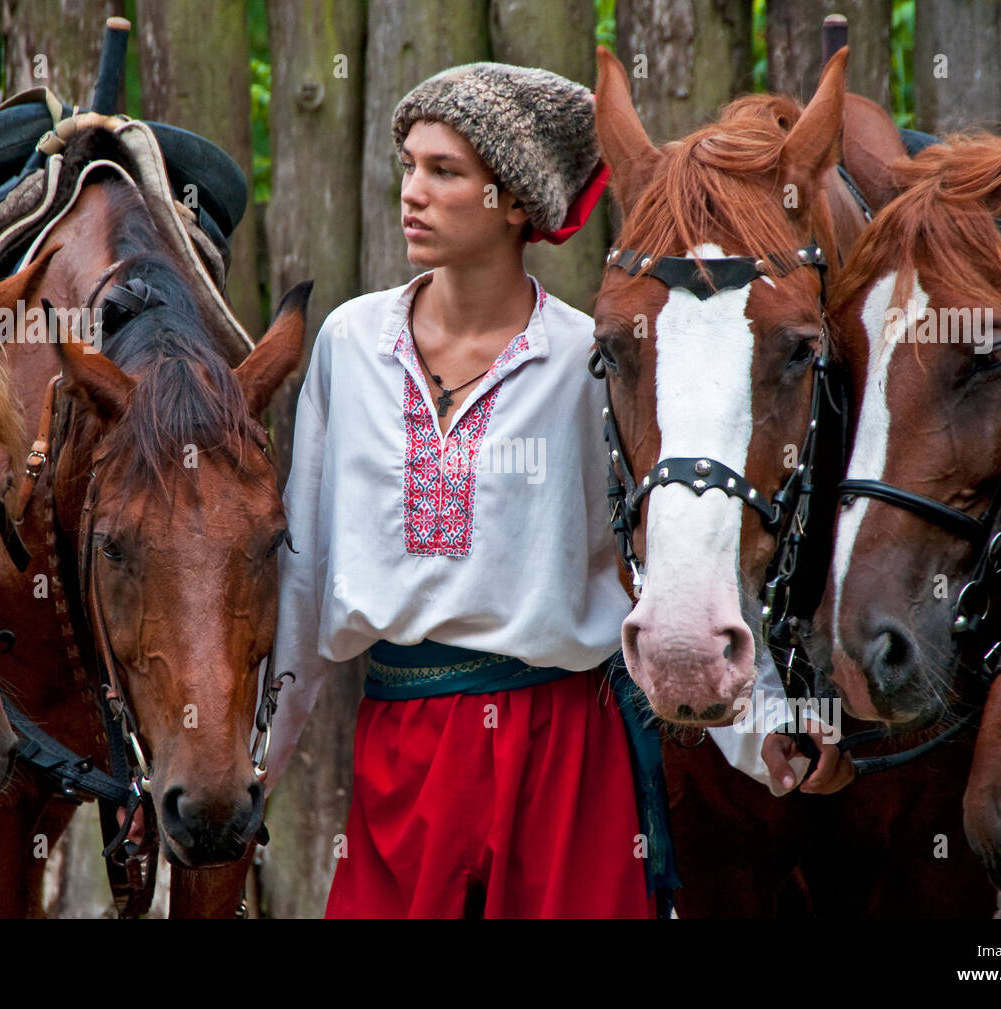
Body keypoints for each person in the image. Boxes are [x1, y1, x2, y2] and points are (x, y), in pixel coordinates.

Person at [267, 62, 848, 920]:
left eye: (445, 171)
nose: (412, 193)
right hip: (404, 752)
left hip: (565, 749)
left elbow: (659, 570)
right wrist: (251, 768)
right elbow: (305, 581)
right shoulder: (350, 346)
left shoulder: (592, 362)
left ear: (515, 204)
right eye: (408, 167)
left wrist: (768, 731)